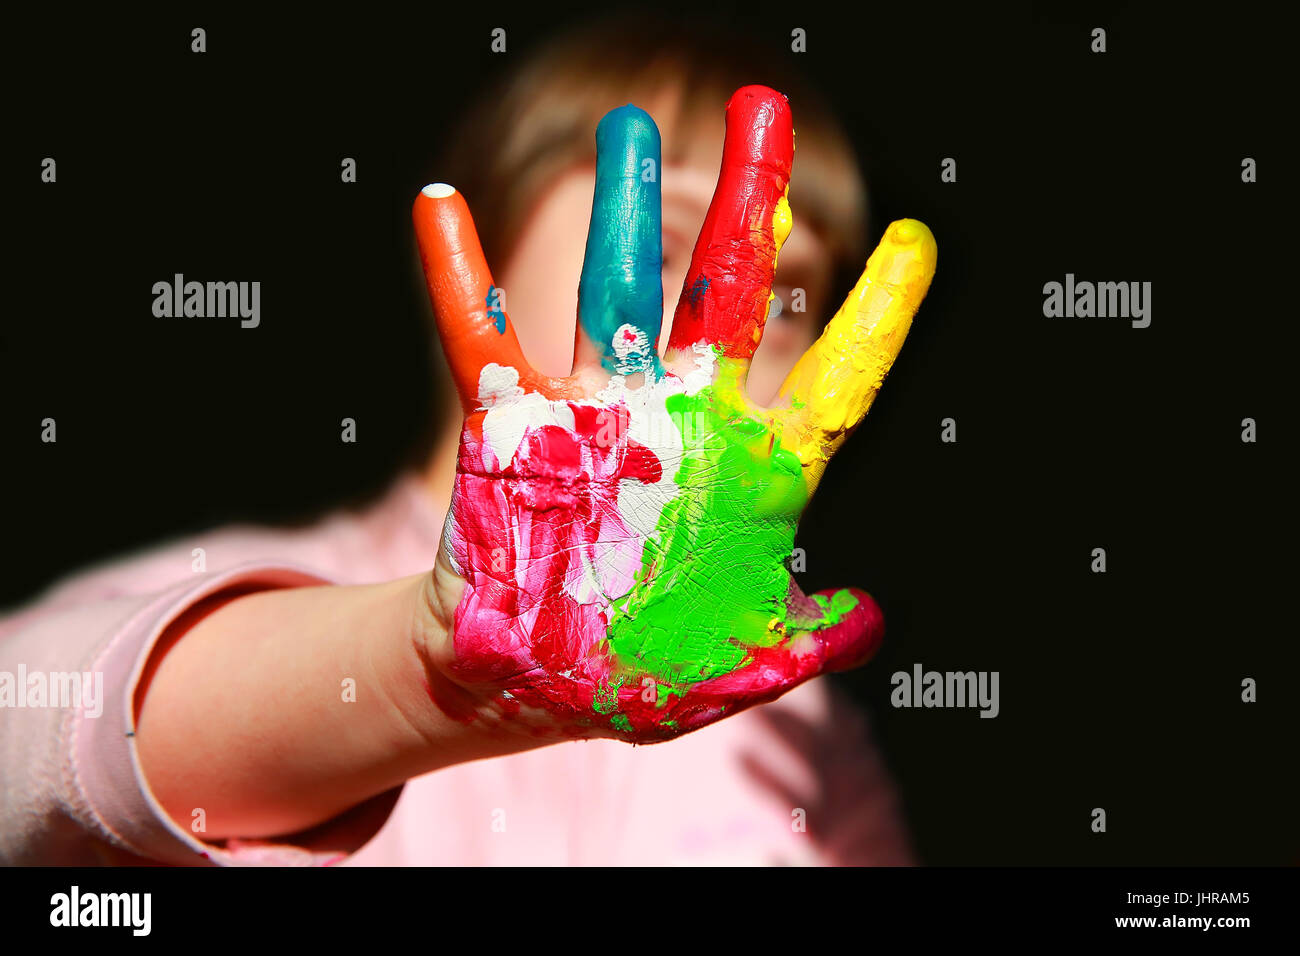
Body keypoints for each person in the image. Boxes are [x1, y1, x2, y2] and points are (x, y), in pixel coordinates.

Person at [0, 19, 934, 865]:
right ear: (484, 238)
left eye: (780, 302)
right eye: (659, 249)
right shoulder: (240, 588)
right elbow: (25, 728)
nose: (709, 324)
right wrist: (423, 668)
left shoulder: (791, 725)